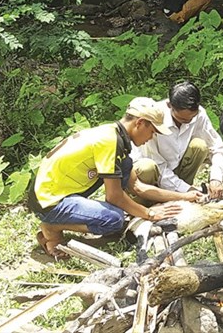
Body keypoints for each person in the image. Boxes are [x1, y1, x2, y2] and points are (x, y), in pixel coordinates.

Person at [28, 97, 184, 259]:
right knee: (114, 220)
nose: (151, 138)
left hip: (54, 191)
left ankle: (103, 214)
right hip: (48, 201)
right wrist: (149, 214)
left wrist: (185, 196)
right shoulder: (110, 142)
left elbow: (137, 186)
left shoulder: (111, 133)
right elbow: (114, 196)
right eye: (152, 131)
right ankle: (52, 227)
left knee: (126, 164)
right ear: (140, 123)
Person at [132, 81, 223, 200]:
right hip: (151, 175)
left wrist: (216, 178)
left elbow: (217, 147)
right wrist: (186, 190)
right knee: (147, 167)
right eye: (182, 118)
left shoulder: (199, 114)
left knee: (199, 146)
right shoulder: (155, 117)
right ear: (169, 105)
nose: (188, 121)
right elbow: (158, 165)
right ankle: (148, 200)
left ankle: (179, 194)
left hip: (176, 170)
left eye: (191, 118)